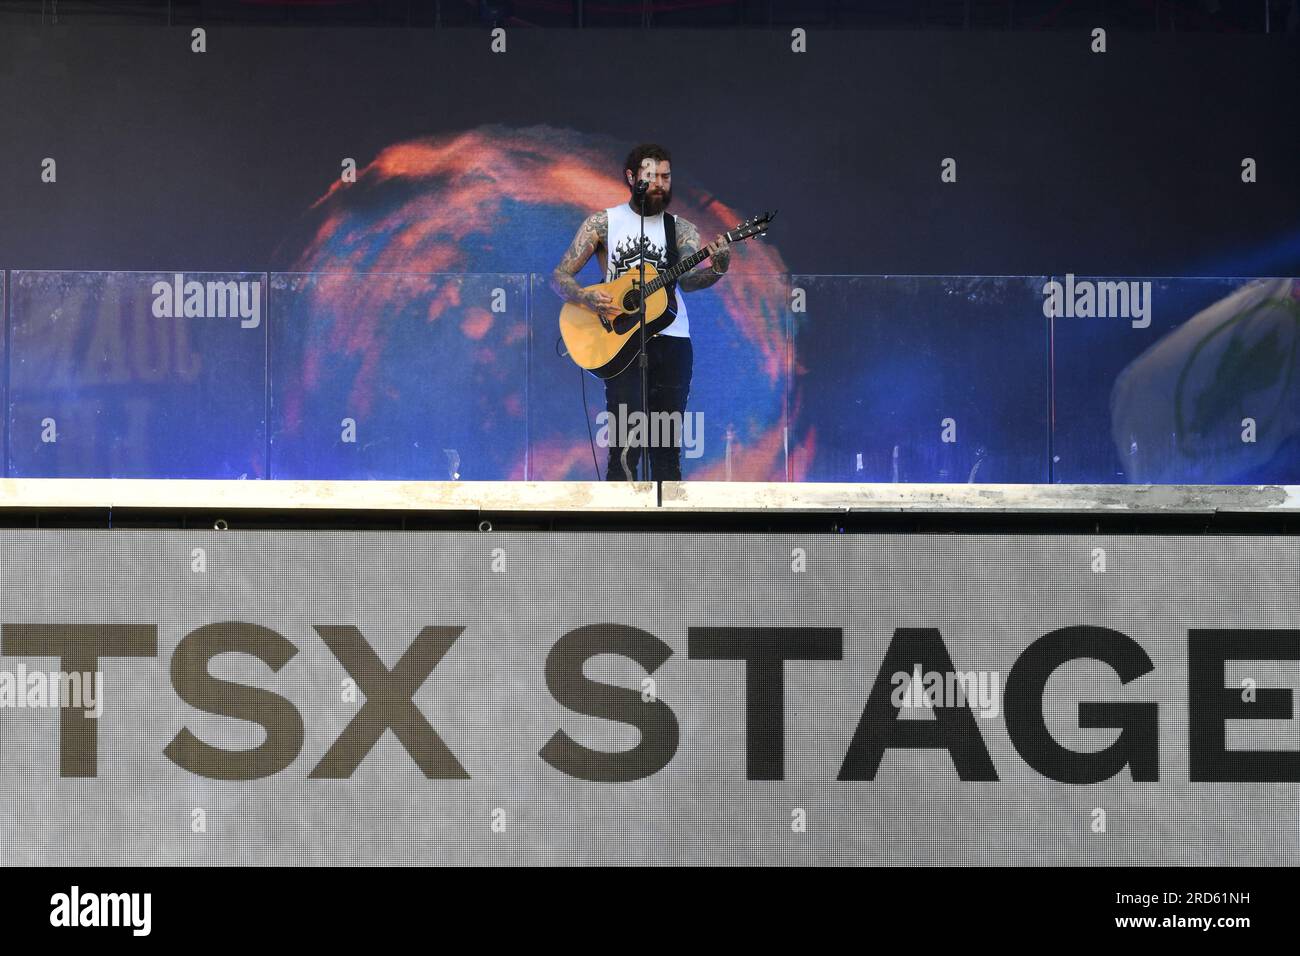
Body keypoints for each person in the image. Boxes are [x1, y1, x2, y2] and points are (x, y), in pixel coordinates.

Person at [551, 143, 730, 481]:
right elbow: (559, 276)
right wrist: (587, 299)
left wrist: (717, 269)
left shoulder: (683, 230)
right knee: (623, 445)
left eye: (666, 176)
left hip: (672, 338)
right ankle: (617, 528)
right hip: (620, 338)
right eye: (652, 176)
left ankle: (669, 528)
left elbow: (689, 281)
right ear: (632, 177)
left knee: (666, 445)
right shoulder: (602, 223)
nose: (661, 183)